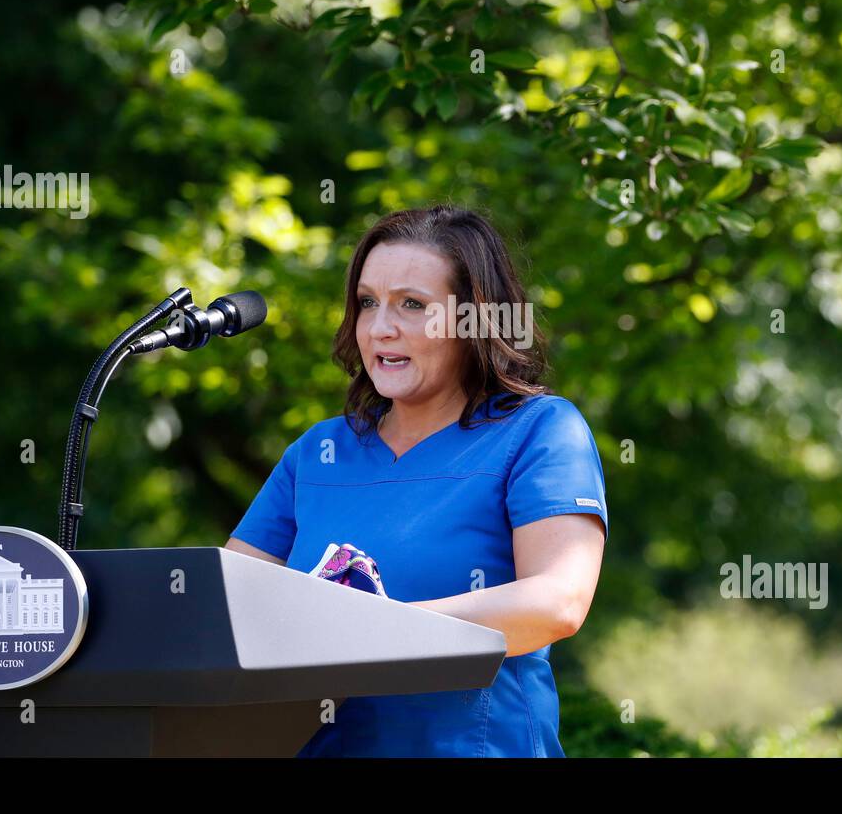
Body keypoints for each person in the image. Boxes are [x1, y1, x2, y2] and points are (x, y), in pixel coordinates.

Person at [225, 204, 609, 757]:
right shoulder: (318, 453)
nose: (380, 327)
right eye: (367, 303)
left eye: (412, 304)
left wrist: (370, 629)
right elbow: (231, 607)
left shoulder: (541, 431)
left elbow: (556, 603)